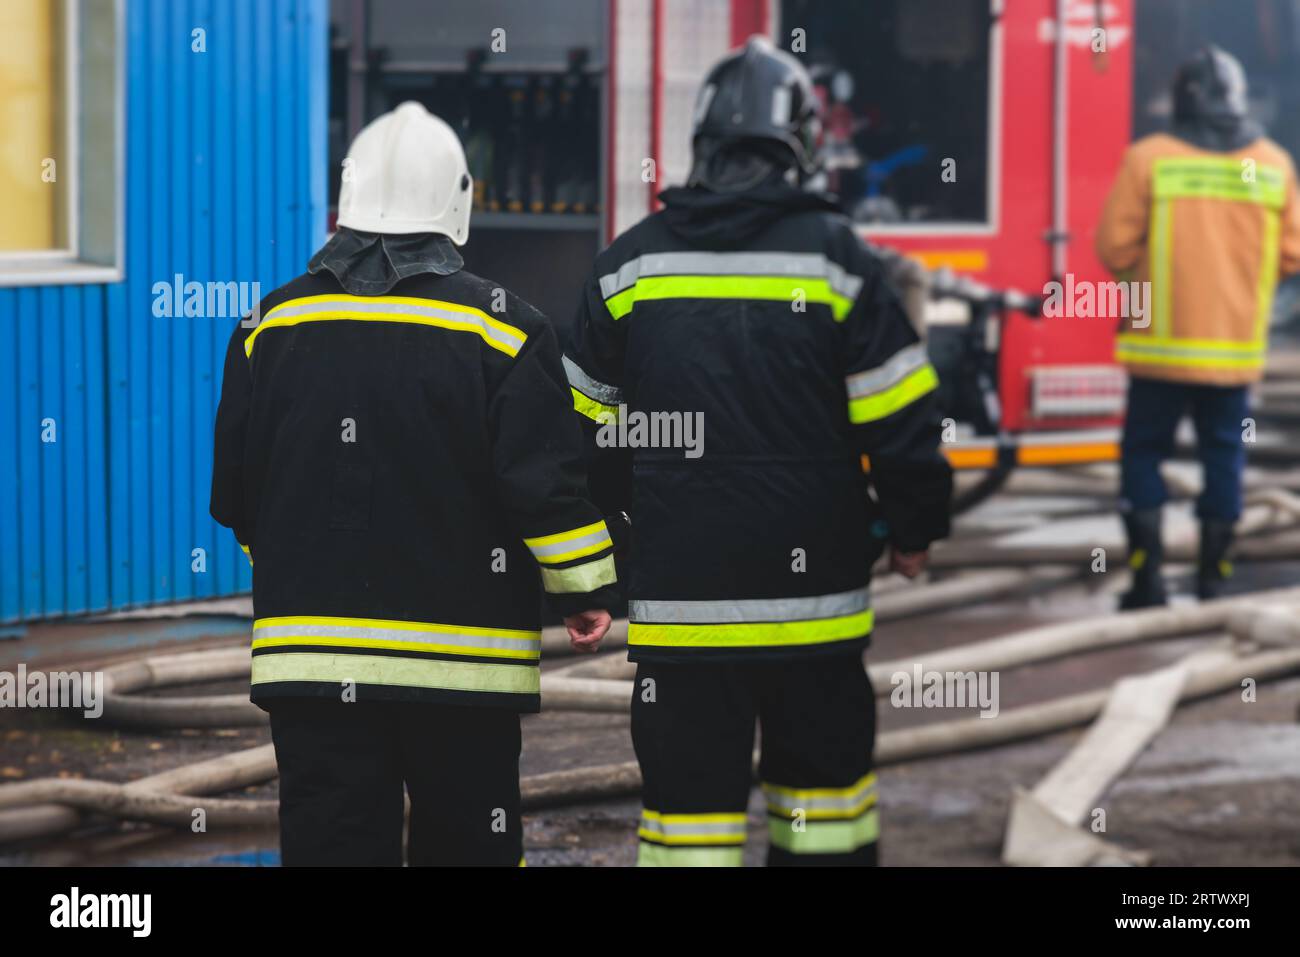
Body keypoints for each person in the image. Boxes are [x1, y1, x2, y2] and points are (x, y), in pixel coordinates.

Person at [564, 38, 952, 866]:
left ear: (703, 142)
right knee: (824, 817)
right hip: (815, 620)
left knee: (688, 829)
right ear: (803, 146)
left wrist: (608, 560)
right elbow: (904, 422)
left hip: (680, 619)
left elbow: (578, 433)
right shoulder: (837, 261)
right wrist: (914, 529)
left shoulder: (630, 264)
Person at [210, 102, 617, 866]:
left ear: (348, 200)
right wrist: (583, 589)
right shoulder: (506, 328)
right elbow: (545, 488)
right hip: (464, 678)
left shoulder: (267, 325)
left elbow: (237, 495)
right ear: (456, 202)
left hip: (311, 669)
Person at [1097, 46, 1300, 607]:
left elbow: (1113, 246)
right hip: (1233, 352)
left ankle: (1148, 580)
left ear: (1181, 102)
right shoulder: (1274, 164)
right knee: (1224, 457)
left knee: (1142, 455)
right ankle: (1214, 579)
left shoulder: (1149, 158)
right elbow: (1292, 253)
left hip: (1158, 348)